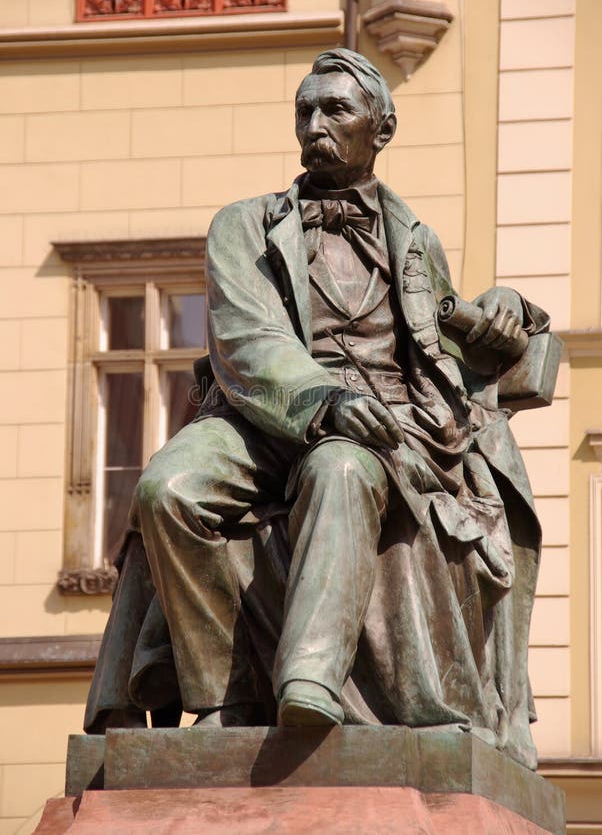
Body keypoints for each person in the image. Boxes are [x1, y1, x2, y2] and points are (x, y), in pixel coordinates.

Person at [89, 49, 550, 770]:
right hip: (265, 414)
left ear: (382, 128)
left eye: (335, 110)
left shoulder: (417, 241)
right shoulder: (243, 225)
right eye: (305, 110)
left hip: (386, 425)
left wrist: (509, 310)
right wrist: (324, 400)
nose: (315, 124)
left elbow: (443, 349)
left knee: (342, 471)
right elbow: (246, 339)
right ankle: (223, 695)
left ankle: (309, 677)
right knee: (165, 489)